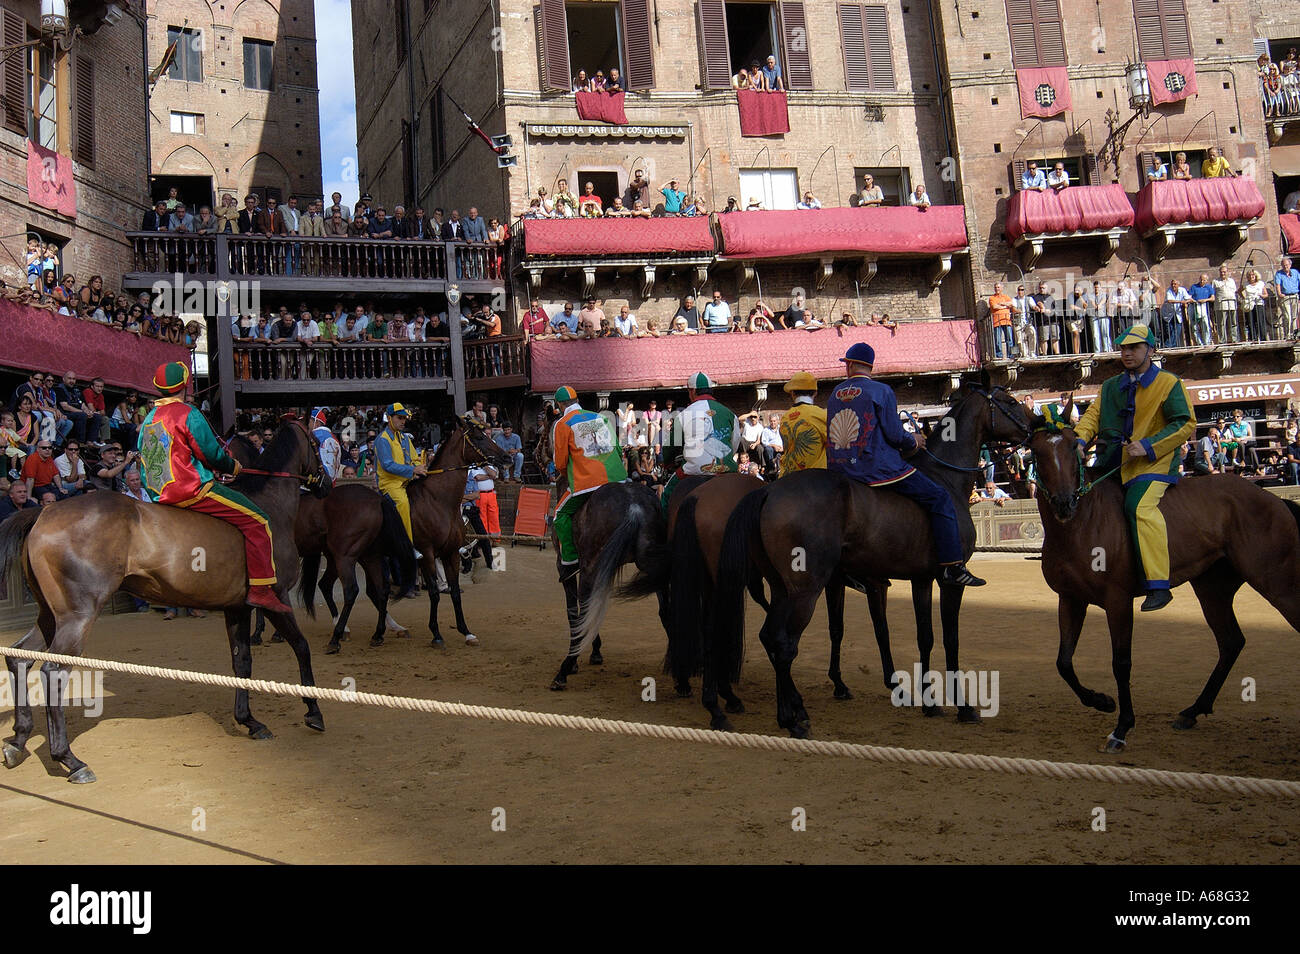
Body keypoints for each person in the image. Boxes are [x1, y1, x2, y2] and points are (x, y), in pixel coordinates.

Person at [827, 342, 984, 587]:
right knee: (940, 497)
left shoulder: (835, 393)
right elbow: (893, 434)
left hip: (840, 468)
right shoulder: (881, 390)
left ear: (849, 365)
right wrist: (914, 442)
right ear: (869, 366)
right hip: (876, 468)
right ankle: (952, 566)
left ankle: (848, 565)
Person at [137, 362, 290, 613]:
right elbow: (210, 453)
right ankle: (261, 589)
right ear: (184, 385)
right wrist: (233, 467)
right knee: (259, 521)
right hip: (190, 491)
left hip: (157, 493)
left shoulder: (149, 419)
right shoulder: (189, 413)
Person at [1071, 324, 1195, 611]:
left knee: (1139, 508)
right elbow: (1093, 416)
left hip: (1153, 463)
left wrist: (1149, 445)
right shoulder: (1110, 386)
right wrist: (1079, 439)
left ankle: (1158, 585)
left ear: (1150, 350)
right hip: (1111, 463)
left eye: (1134, 348)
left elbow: (1185, 423)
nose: (1126, 353)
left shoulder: (1169, 383)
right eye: (1123, 348)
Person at [550, 386, 627, 578]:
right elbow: (617, 449)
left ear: (559, 405)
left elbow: (560, 462)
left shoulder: (562, 424)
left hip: (588, 482)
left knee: (560, 514)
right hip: (618, 477)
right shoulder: (600, 417)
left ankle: (570, 559)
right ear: (577, 400)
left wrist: (565, 472)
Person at [660, 372, 741, 513]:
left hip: (694, 470)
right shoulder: (729, 413)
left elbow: (671, 446)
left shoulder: (684, 414)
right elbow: (734, 443)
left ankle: (665, 532)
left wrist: (668, 463)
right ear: (711, 389)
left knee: (666, 496)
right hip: (727, 469)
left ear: (692, 391)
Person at [374, 403, 427, 567]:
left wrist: (420, 466)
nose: (403, 421)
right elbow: (388, 465)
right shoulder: (382, 440)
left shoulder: (404, 438)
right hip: (390, 484)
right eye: (400, 418)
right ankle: (408, 547)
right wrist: (412, 469)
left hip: (407, 479)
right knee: (403, 503)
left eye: (404, 418)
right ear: (389, 418)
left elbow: (414, 457)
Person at [779, 371, 827, 476]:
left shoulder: (785, 418)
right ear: (815, 393)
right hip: (815, 478)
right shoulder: (821, 415)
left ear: (792, 393)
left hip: (787, 476)